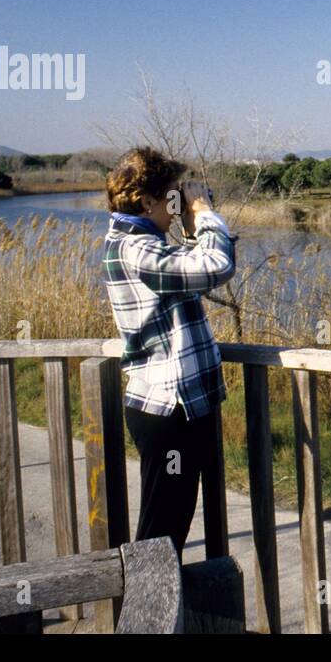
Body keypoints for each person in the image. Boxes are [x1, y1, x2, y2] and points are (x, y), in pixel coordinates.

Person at [101, 146, 236, 558]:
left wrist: (193, 226)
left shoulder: (140, 243)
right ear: (147, 202)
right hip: (166, 411)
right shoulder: (135, 248)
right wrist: (204, 212)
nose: (177, 208)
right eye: (171, 198)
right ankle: (144, 600)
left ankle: (159, 595)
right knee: (159, 539)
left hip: (173, 410)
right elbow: (216, 266)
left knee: (169, 529)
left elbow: (192, 269)